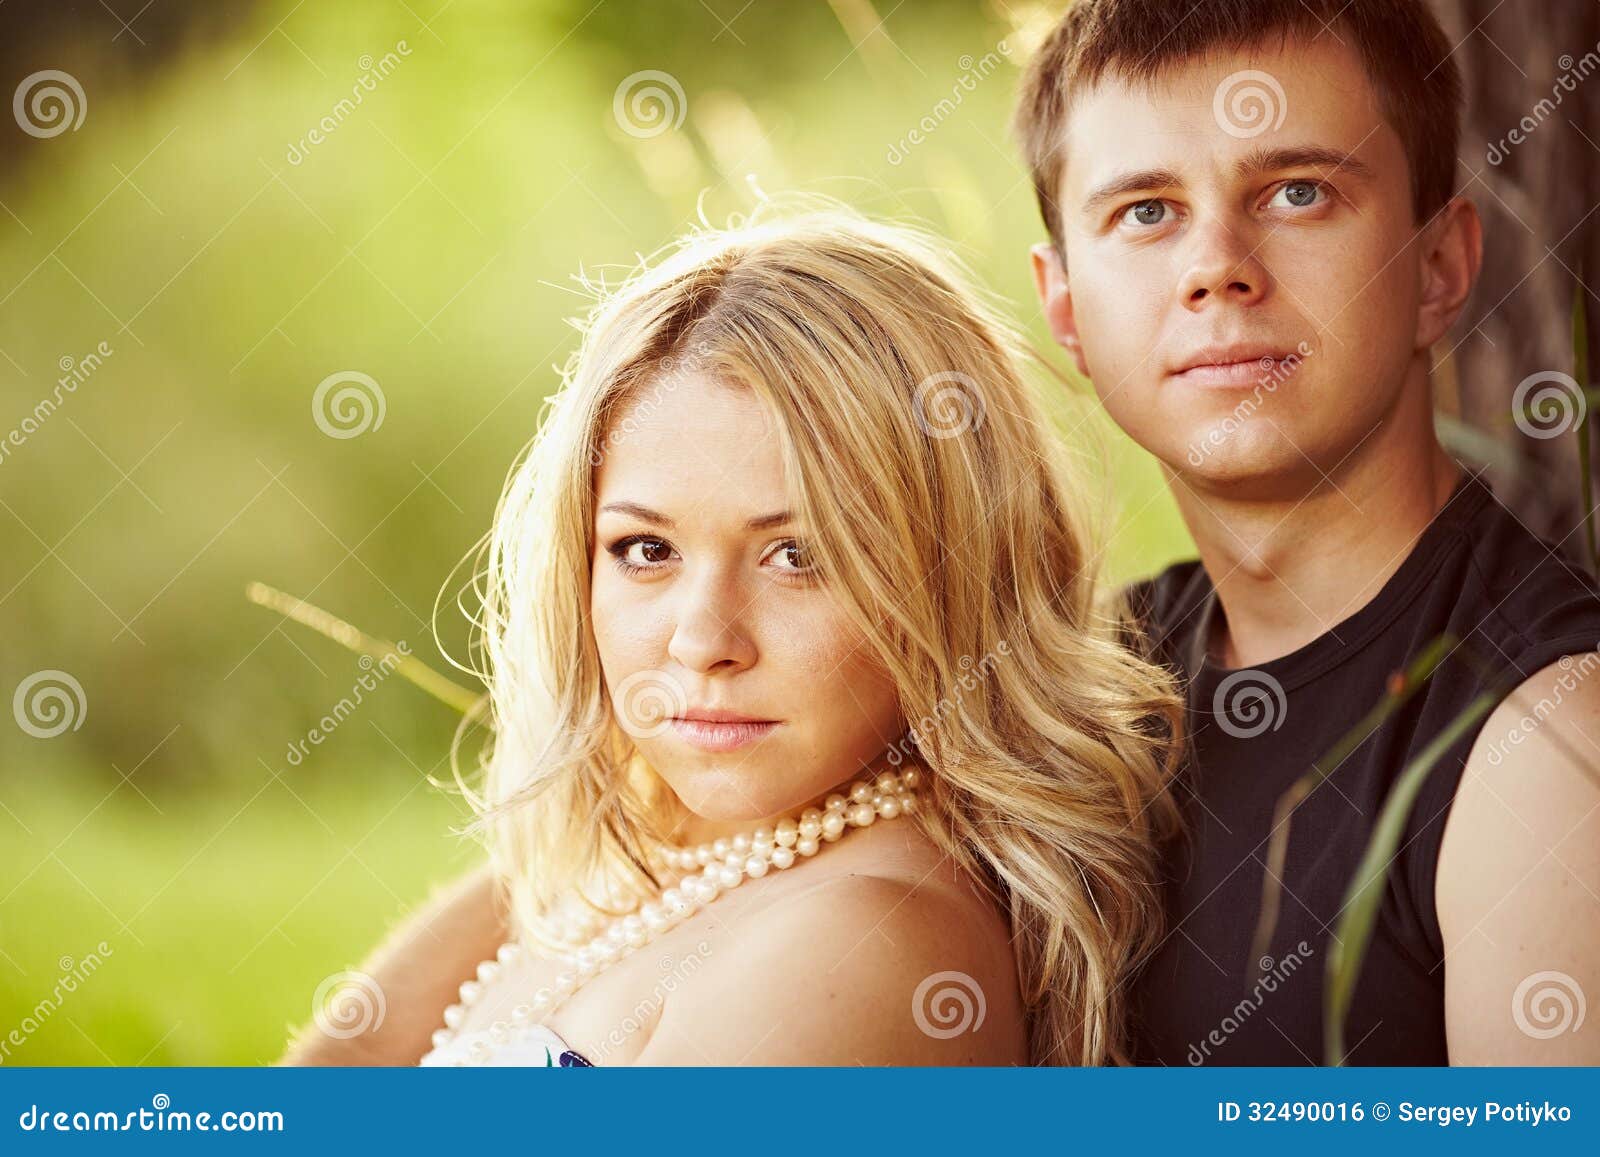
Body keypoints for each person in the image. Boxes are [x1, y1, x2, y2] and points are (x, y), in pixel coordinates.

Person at [281, 206, 1185, 1066]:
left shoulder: (858, 942)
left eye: (797, 554)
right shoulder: (649, 858)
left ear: (951, 571)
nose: (704, 640)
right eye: (646, 549)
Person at [1015, 0, 1600, 1064]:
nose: (1219, 266)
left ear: (1438, 267)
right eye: (1145, 212)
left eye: (1297, 192)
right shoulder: (1084, 694)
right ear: (1064, 309)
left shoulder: (1551, 737)